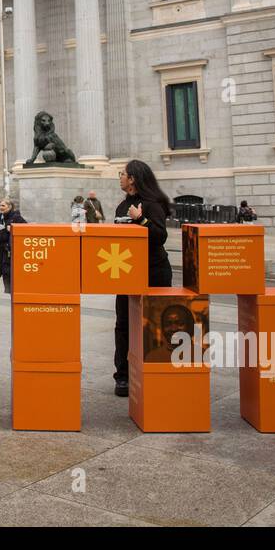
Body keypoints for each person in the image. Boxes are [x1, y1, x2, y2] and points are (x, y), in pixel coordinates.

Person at [113, 160, 173, 397]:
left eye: (122, 174)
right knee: (123, 325)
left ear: (133, 179)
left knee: (155, 323)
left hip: (154, 271)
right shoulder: (121, 207)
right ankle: (123, 377)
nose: (120, 177)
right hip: (126, 273)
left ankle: (157, 371)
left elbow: (159, 237)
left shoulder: (152, 205)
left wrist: (141, 219)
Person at [0, 198, 27, 295]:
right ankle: (8, 291)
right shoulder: (0, 219)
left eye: (3, 205)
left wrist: (14, 229)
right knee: (5, 271)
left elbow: (26, 229)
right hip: (3, 251)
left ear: (9, 207)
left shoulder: (16, 218)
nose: (1, 207)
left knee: (12, 271)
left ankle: (14, 292)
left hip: (13, 250)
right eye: (0, 205)